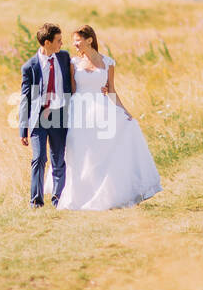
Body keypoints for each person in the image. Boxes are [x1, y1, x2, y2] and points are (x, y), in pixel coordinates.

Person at [56, 25, 162, 210]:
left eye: (78, 40)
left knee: (101, 151)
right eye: (74, 41)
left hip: (102, 108)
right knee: (78, 150)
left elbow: (111, 90)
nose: (75, 44)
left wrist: (125, 111)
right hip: (79, 110)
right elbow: (72, 90)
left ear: (89, 40)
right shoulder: (73, 63)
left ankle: (105, 194)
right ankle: (77, 197)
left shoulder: (108, 62)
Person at [18, 23, 72, 208]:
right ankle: (36, 200)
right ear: (47, 42)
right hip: (39, 117)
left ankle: (58, 199)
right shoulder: (30, 66)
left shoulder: (64, 57)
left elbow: (77, 78)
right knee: (39, 157)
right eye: (58, 41)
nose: (62, 44)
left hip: (58, 115)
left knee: (58, 158)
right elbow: (25, 99)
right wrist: (22, 130)